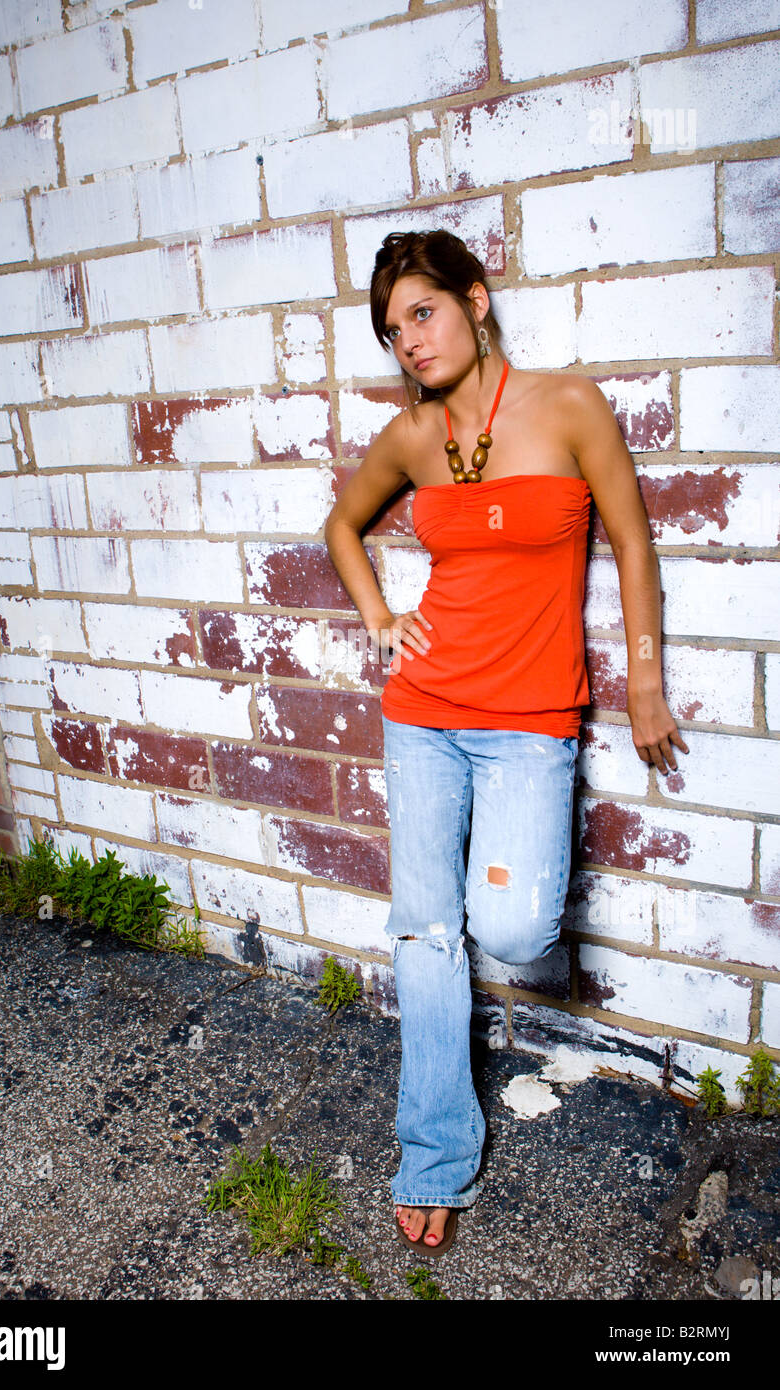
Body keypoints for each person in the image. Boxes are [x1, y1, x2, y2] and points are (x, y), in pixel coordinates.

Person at [323, 229, 689, 1256]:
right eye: (392, 329)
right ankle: (432, 1153)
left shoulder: (567, 405)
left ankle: (454, 1078)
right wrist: (382, 620)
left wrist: (645, 677)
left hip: (528, 723)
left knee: (516, 926)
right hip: (423, 713)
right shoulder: (408, 435)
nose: (409, 341)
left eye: (422, 312)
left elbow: (628, 537)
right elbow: (340, 526)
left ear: (475, 300)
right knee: (424, 930)